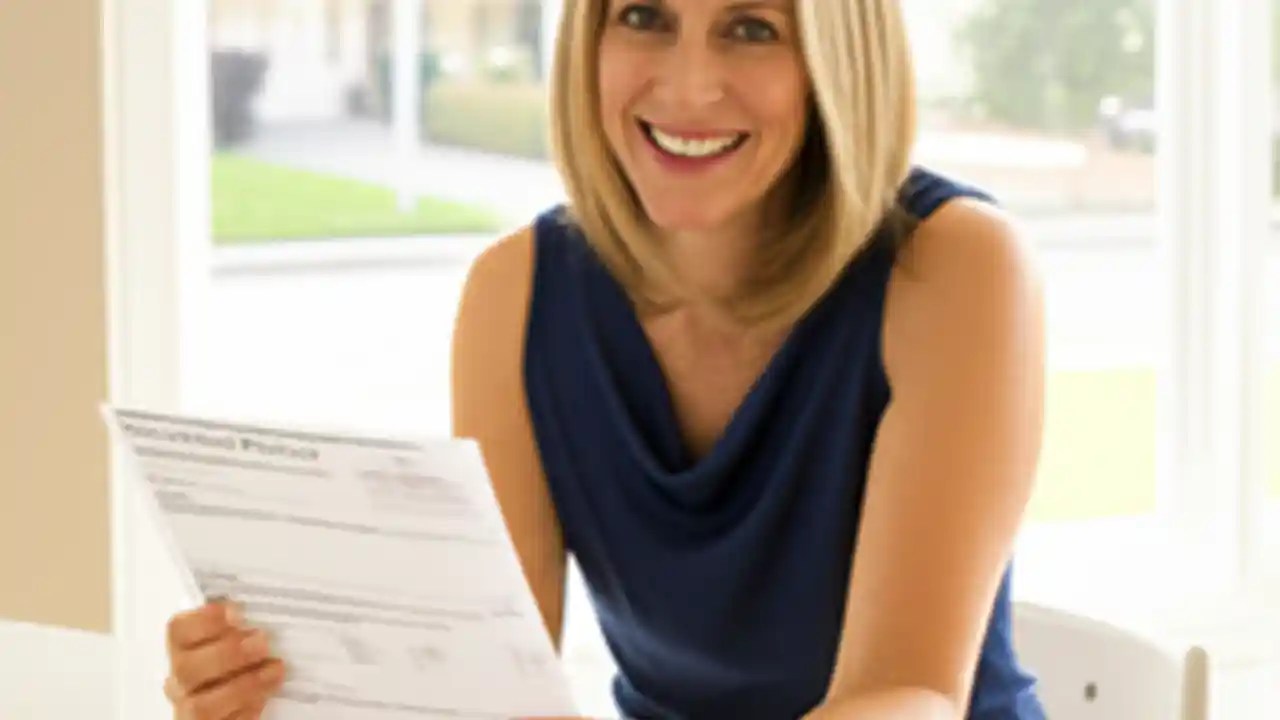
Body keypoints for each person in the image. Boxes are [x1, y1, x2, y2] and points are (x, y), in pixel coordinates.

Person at [160, 0, 1048, 718]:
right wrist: (280, 698)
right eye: (644, 17)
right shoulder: (516, 294)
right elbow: (497, 693)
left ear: (836, 58)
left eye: (752, 29)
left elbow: (909, 695)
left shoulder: (954, 268)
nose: (690, 85)